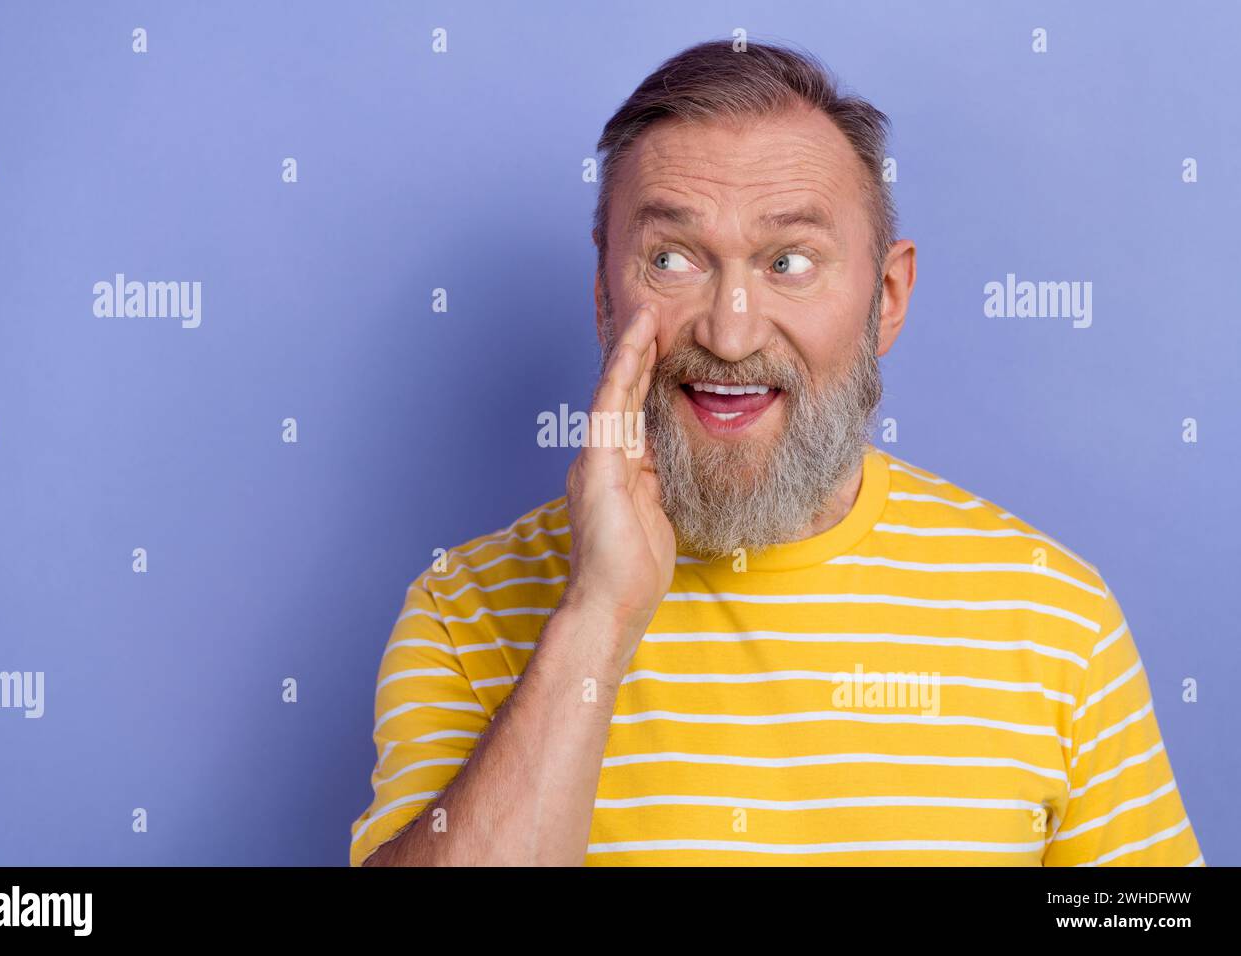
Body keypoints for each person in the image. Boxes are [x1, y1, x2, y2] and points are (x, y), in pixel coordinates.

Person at [350, 39, 1203, 866]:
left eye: (789, 261)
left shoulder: (1058, 618)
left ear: (889, 296)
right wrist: (597, 619)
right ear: (605, 299)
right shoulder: (464, 613)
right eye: (672, 258)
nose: (730, 331)